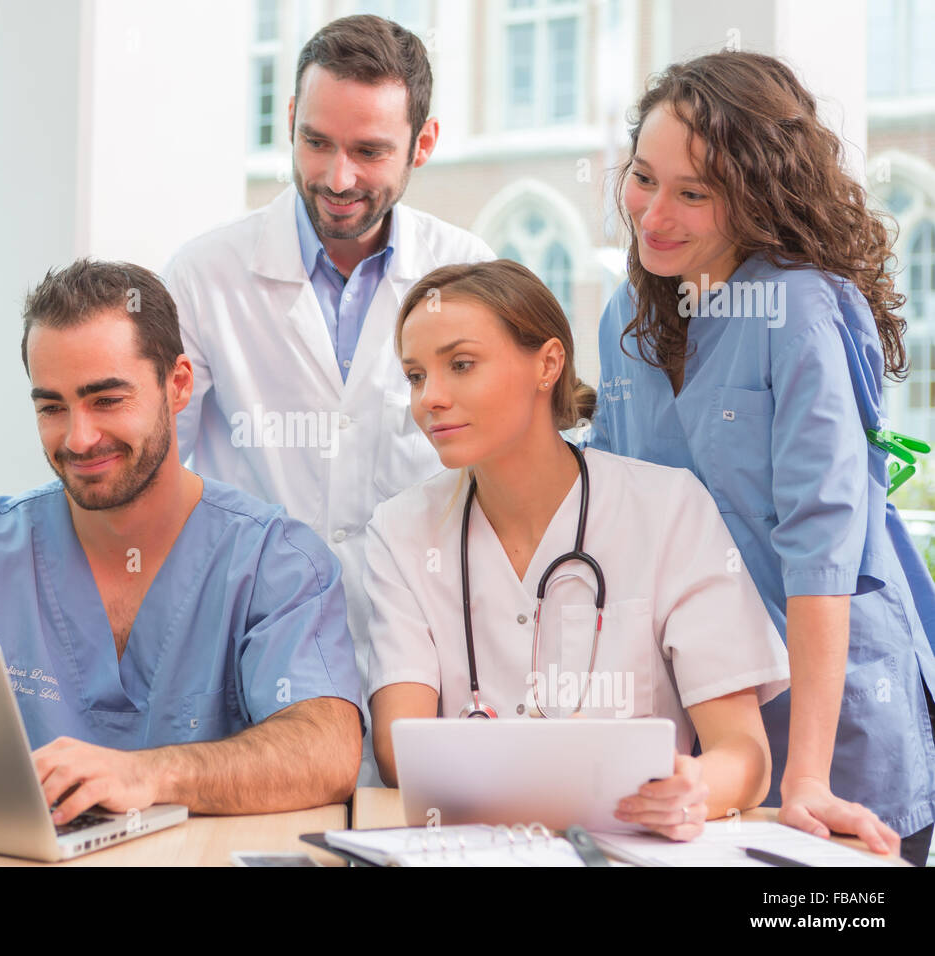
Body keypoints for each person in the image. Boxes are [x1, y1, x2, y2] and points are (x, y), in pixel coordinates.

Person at [585, 50, 935, 865]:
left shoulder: (804, 308)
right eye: (644, 178)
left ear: (759, 196)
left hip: (832, 714)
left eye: (693, 194)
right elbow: (611, 509)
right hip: (709, 721)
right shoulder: (625, 316)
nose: (654, 215)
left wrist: (806, 777)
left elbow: (822, 547)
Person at [0, 260, 362, 822]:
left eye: (106, 400)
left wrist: (148, 775)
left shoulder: (274, 564)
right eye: (53, 407)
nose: (79, 438)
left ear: (177, 385)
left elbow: (327, 752)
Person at [165, 15, 494, 782]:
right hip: (248, 659)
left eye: (370, 151)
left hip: (424, 660)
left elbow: (509, 478)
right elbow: (156, 475)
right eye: (316, 142)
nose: (338, 177)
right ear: (289, 123)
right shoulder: (205, 277)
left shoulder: (472, 274)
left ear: (423, 143)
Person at [365, 260, 791, 840]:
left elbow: (745, 755)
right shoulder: (401, 530)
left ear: (547, 363)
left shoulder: (667, 509)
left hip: (628, 848)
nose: (430, 399)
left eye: (460, 365)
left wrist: (697, 787)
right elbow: (399, 752)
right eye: (415, 376)